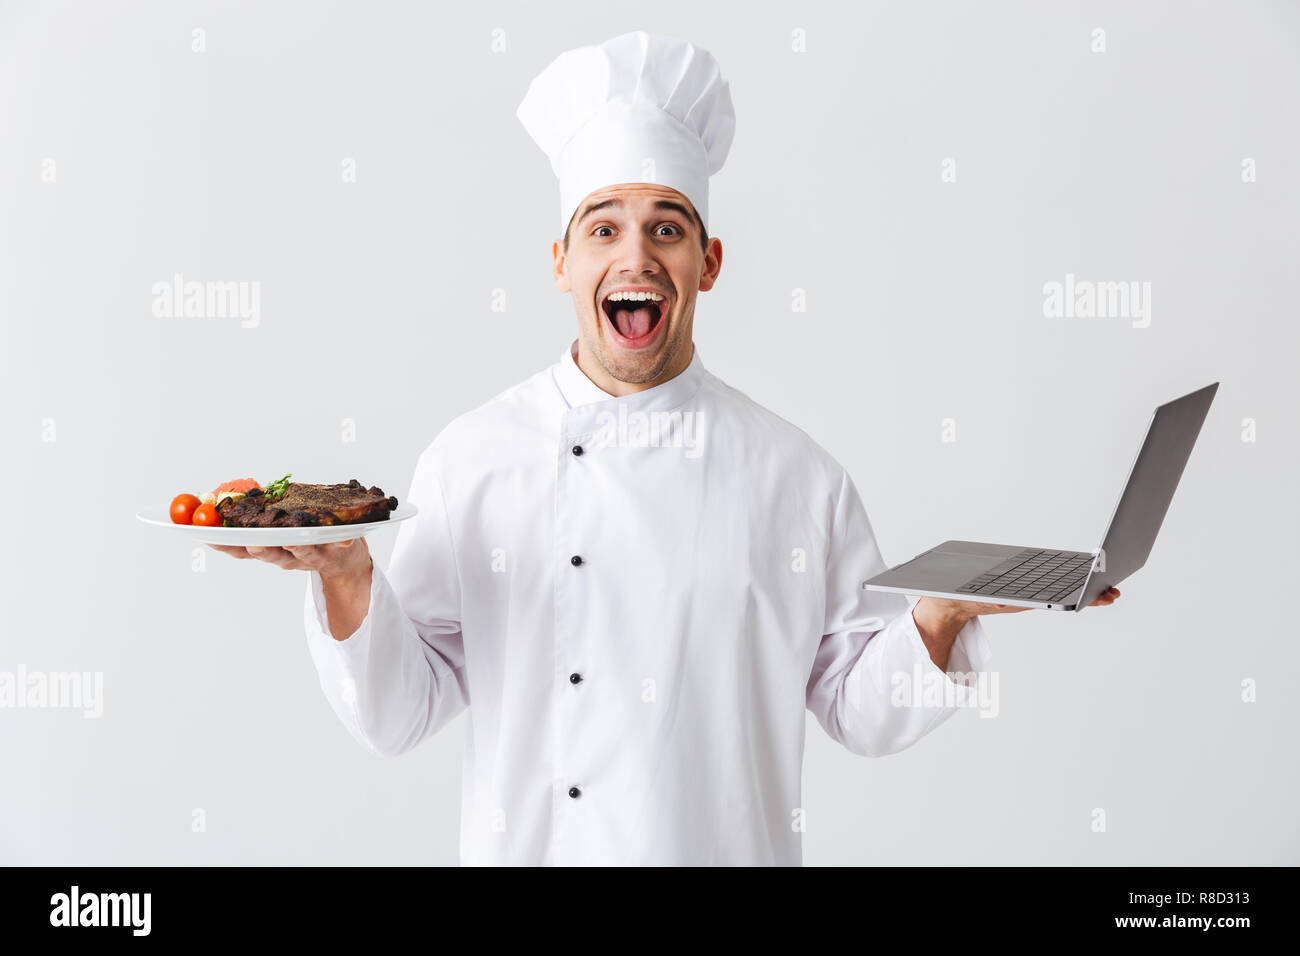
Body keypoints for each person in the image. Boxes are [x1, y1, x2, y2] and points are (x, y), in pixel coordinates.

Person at [210, 30, 1119, 866]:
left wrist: (938, 619)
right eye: (603, 227)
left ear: (708, 264)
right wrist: (349, 580)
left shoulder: (796, 476)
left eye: (667, 228)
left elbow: (856, 711)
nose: (635, 256)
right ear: (561, 262)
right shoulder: (473, 457)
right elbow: (402, 715)